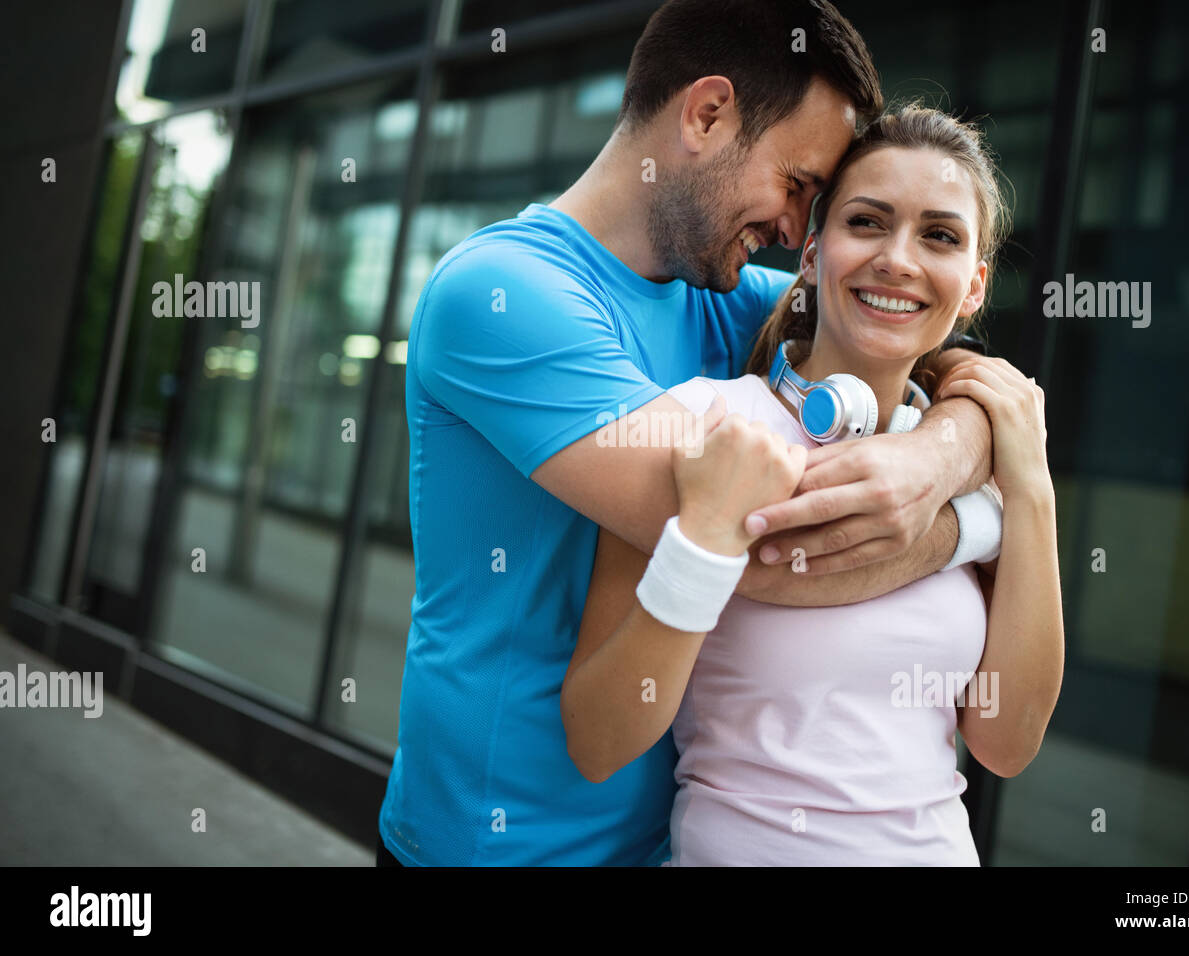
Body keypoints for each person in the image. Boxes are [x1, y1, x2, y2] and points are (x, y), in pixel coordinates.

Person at [378, 0, 1001, 867]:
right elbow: (760, 556)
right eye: (797, 186)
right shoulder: (501, 296)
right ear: (706, 115)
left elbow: (940, 362)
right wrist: (977, 525)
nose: (796, 231)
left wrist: (952, 448)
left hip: (663, 845)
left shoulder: (729, 294)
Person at [562, 105, 1065, 865]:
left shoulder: (983, 466)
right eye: (867, 222)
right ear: (810, 253)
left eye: (939, 235)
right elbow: (599, 739)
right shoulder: (703, 425)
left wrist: (1030, 493)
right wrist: (703, 540)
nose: (899, 258)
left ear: (973, 288)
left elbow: (1006, 742)